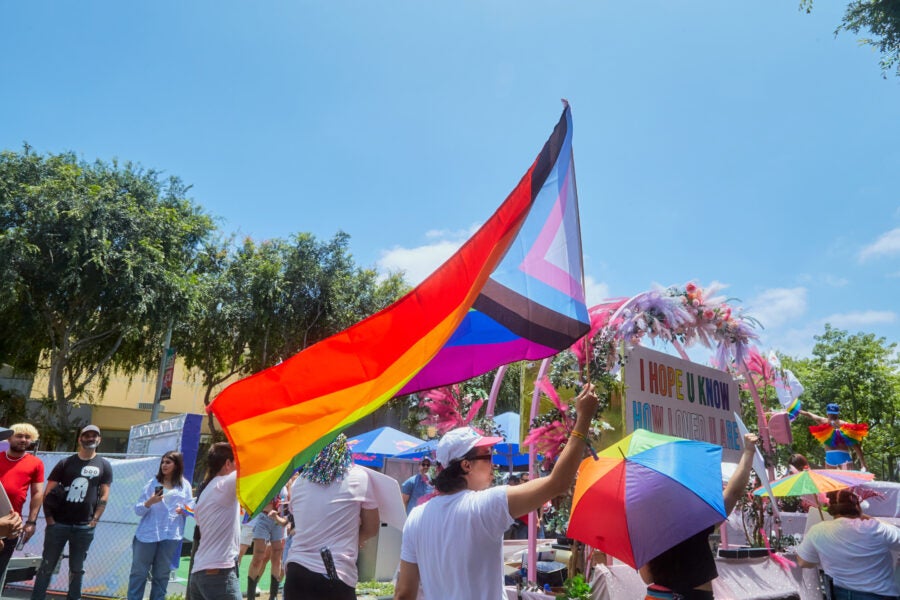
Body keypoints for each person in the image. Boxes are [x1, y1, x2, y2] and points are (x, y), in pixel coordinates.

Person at [394, 383, 599, 600]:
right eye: (488, 456)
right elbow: (558, 483)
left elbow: (404, 593)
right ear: (466, 465)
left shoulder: (416, 517)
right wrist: (583, 418)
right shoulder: (484, 505)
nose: (494, 464)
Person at [638, 433, 760, 600]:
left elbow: (647, 578)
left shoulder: (645, 523)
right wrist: (748, 451)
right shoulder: (694, 516)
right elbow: (733, 492)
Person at [284, 434, 380, 600]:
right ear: (344, 449)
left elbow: (302, 521)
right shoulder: (359, 477)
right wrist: (353, 538)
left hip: (296, 571)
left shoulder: (299, 482)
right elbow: (372, 527)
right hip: (334, 573)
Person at [31, 424, 113, 600]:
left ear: (99, 440)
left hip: (84, 527)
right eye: (86, 435)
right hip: (58, 525)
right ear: (80, 439)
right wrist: (50, 520)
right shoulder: (65, 463)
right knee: (47, 566)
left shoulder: (104, 465)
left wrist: (95, 520)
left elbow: (105, 494)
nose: (90, 438)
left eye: (94, 436)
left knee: (77, 569)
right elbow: (48, 493)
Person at [797, 489, 900, 599]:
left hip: (842, 595)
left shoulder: (818, 530)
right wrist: (864, 516)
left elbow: (804, 562)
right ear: (858, 507)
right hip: (880, 595)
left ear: (831, 509)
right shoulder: (876, 528)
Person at [128, 451, 192, 600]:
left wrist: (184, 510)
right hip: (147, 535)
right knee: (139, 573)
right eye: (163, 462)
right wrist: (150, 502)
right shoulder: (152, 483)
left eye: (168, 462)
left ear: (177, 465)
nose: (164, 465)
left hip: (170, 535)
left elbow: (190, 508)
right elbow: (138, 510)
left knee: (162, 575)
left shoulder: (184, 485)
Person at [189, 442, 242, 600]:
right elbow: (253, 467)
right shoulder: (225, 484)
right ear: (227, 464)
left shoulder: (206, 492)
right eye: (235, 463)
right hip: (219, 573)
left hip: (199, 574)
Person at [0, 423, 45, 577]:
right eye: (19, 436)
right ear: (9, 438)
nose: (23, 440)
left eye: (28, 437)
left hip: (12, 524)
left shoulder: (35, 463)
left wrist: (31, 522)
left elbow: (38, 493)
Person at [799, 404, 868, 470]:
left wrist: (796, 410)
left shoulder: (823, 421)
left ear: (827, 413)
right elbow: (856, 446)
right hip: (843, 456)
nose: (831, 416)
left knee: (831, 480)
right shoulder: (845, 425)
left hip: (830, 456)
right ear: (838, 413)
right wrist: (863, 462)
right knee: (848, 480)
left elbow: (809, 414)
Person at [247, 490, 289, 600]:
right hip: (263, 518)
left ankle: (273, 596)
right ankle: (251, 596)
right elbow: (256, 501)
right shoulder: (268, 477)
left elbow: (287, 502)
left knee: (277, 557)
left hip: (279, 520)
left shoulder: (286, 480)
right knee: (258, 557)